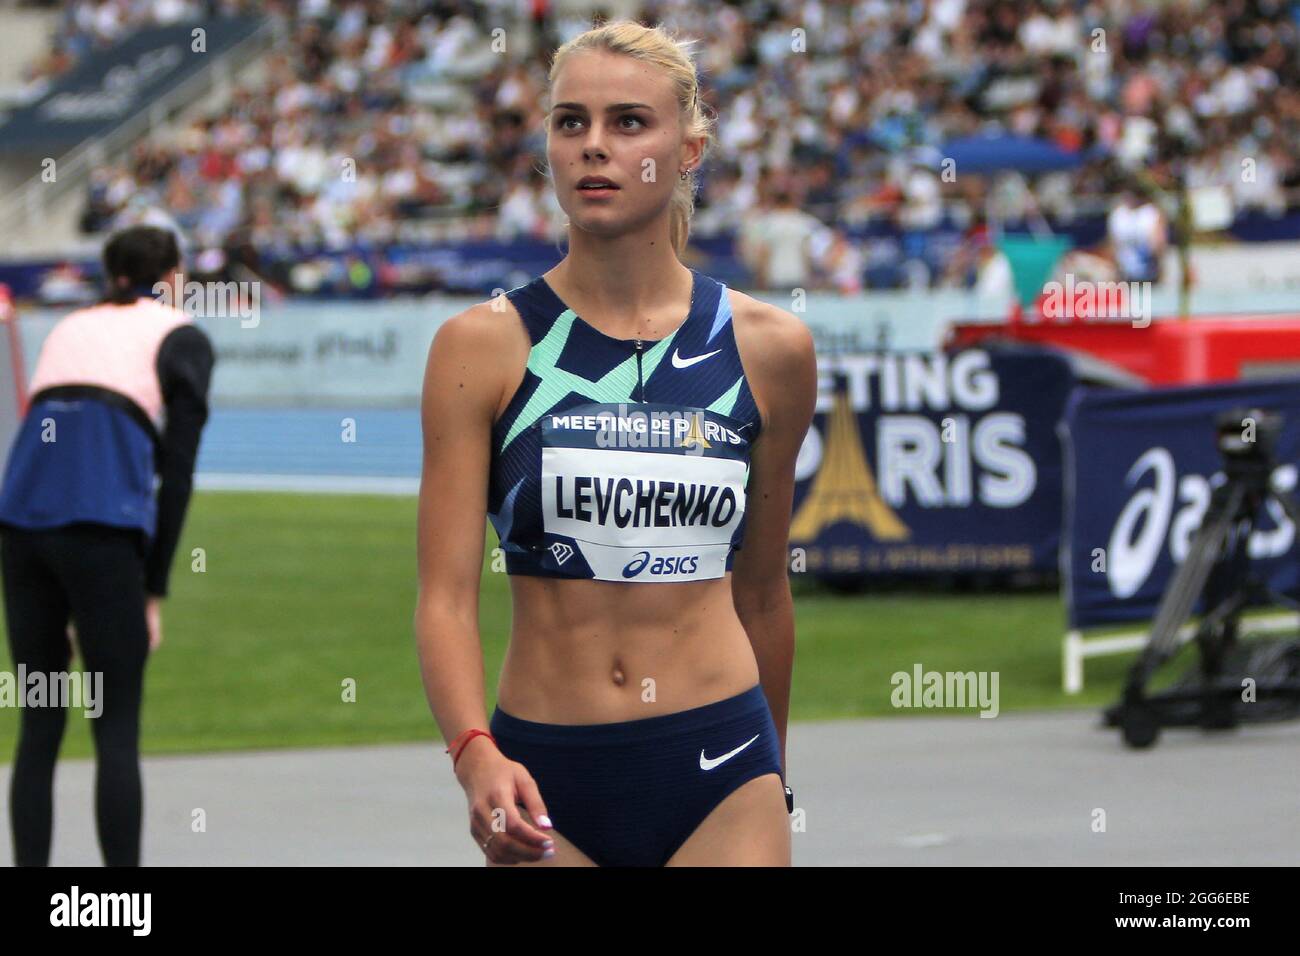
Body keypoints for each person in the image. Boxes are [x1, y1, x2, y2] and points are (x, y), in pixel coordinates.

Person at [414, 20, 817, 867]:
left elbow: (764, 595)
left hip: (724, 769)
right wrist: (473, 753)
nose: (594, 146)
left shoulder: (770, 348)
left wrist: (774, 775)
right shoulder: (480, 345)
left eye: (629, 122)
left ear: (689, 149)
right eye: (571, 123)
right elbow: (446, 600)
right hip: (543, 781)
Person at [0, 225, 216, 866]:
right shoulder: (181, 335)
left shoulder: (68, 327)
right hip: (102, 532)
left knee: (38, 727)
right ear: (171, 278)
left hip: (20, 526)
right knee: (115, 729)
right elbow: (176, 477)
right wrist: (153, 589)